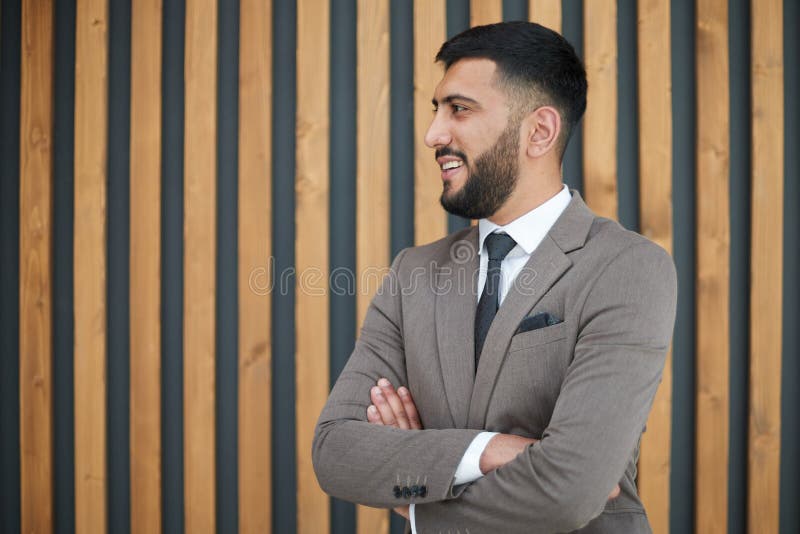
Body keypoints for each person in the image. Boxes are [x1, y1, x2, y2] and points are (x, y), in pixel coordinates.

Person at [313, 21, 677, 533]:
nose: (433, 134)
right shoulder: (412, 272)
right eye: (436, 110)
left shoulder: (628, 267)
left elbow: (570, 491)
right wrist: (491, 451)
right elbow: (337, 453)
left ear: (540, 131)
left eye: (459, 109)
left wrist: (414, 501)